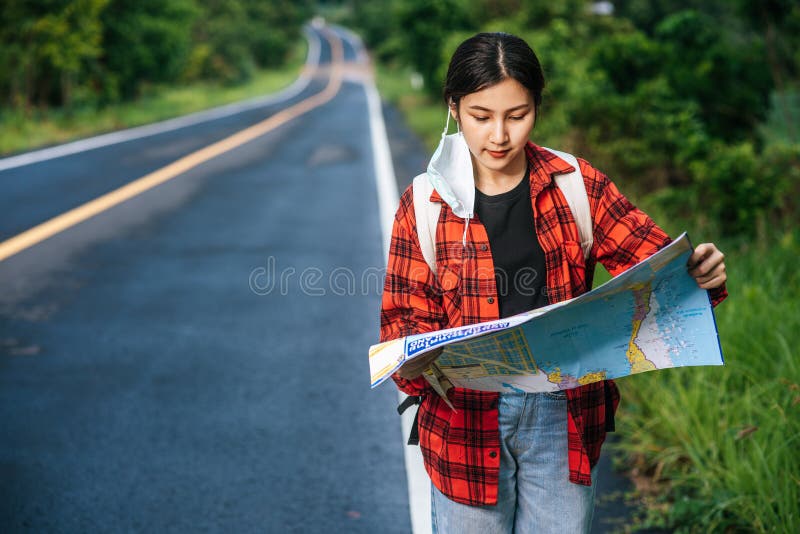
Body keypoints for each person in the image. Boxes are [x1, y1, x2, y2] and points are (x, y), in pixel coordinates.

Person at [379, 32, 727, 534]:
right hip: (464, 422)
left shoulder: (575, 184)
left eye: (516, 115)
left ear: (537, 107)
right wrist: (417, 361)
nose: (499, 135)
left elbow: (659, 266)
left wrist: (700, 273)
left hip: (563, 414)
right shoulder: (423, 204)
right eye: (481, 116)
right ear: (453, 108)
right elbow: (402, 320)